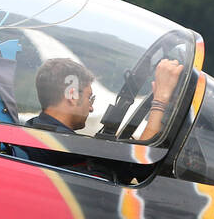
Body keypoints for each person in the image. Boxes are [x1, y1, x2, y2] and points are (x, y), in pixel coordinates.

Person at [25, 57, 183, 169]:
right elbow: (139, 165)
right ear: (72, 96)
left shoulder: (32, 128)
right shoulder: (67, 149)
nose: (91, 108)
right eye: (89, 98)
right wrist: (161, 100)